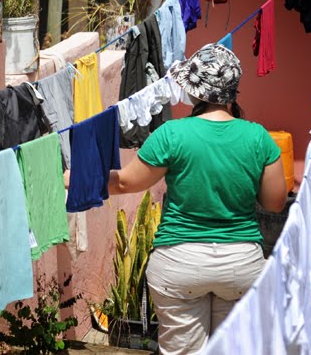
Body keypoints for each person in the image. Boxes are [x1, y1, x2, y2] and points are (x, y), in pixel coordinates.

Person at [104, 43, 287, 355]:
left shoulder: (172, 134)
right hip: (240, 265)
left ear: (193, 90)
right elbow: (275, 203)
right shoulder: (259, 137)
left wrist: (73, 178)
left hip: (179, 263)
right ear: (232, 93)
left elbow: (124, 183)